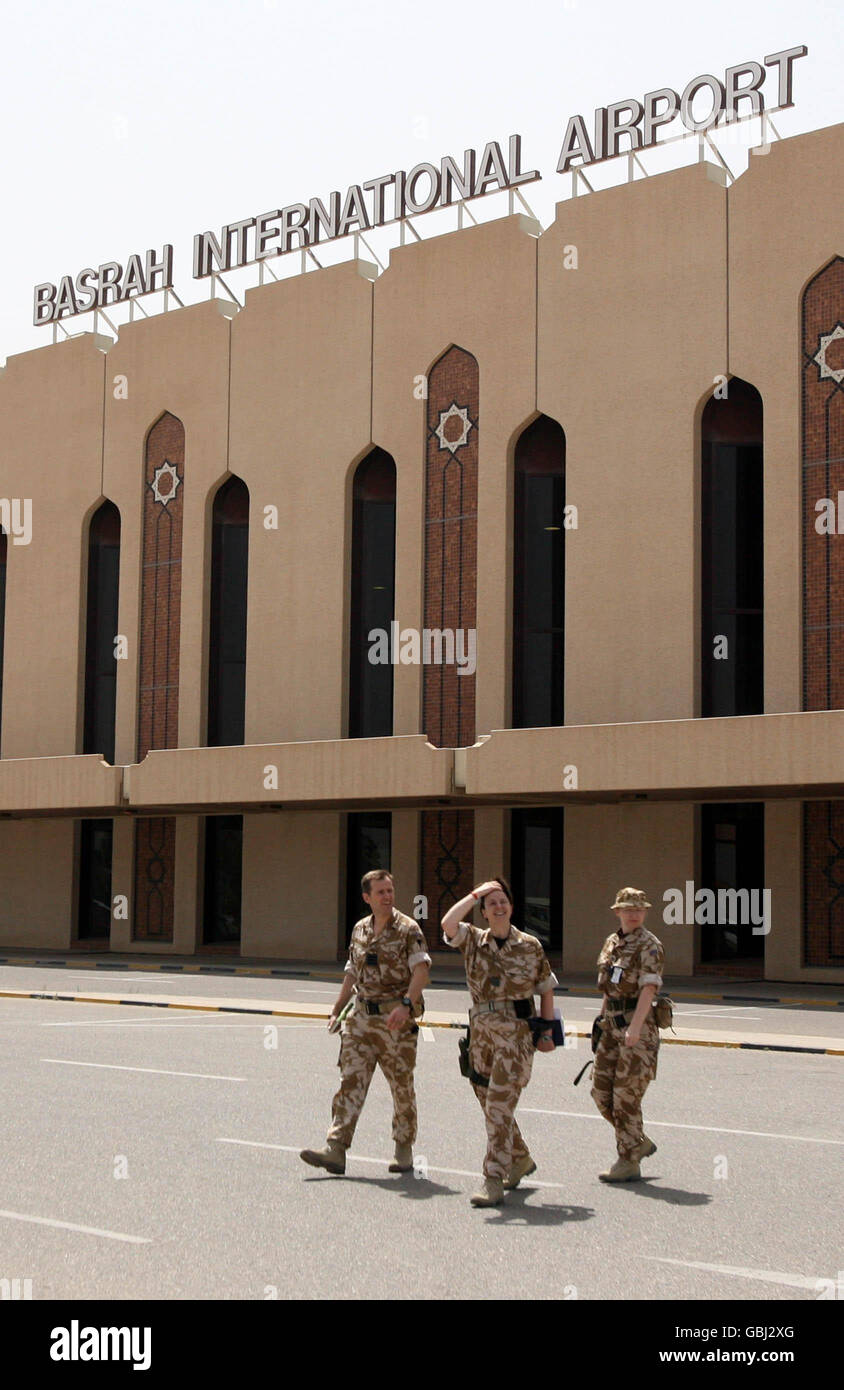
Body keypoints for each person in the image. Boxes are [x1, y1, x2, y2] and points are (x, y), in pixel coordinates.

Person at [300, 869, 431, 1176]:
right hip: (360, 1019)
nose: (387, 896)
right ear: (367, 897)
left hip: (394, 1021)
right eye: (381, 892)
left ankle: (403, 1148)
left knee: (401, 1086)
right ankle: (336, 1149)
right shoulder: (360, 929)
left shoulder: (408, 929)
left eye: (390, 891)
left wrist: (406, 1005)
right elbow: (352, 973)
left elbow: (421, 972)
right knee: (350, 1082)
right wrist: (336, 1010)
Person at [442, 877, 558, 1207]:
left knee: (497, 1105)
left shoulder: (530, 945)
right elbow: (448, 923)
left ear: (511, 906)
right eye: (491, 902)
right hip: (481, 1035)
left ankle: (494, 1177)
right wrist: (476, 892)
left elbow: (546, 989)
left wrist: (549, 1034)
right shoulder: (473, 940)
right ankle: (519, 1157)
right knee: (489, 1101)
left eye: (503, 900)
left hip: (518, 1036)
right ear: (483, 911)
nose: (498, 906)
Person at [591, 886, 665, 1182]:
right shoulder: (612, 942)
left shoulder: (649, 944)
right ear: (618, 911)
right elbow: (609, 985)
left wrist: (635, 1028)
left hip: (638, 1028)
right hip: (611, 1024)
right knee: (600, 1092)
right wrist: (601, 1020)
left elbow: (649, 987)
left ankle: (628, 1159)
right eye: (628, 909)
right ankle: (637, 1141)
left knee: (626, 1097)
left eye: (639, 909)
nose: (634, 914)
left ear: (645, 912)